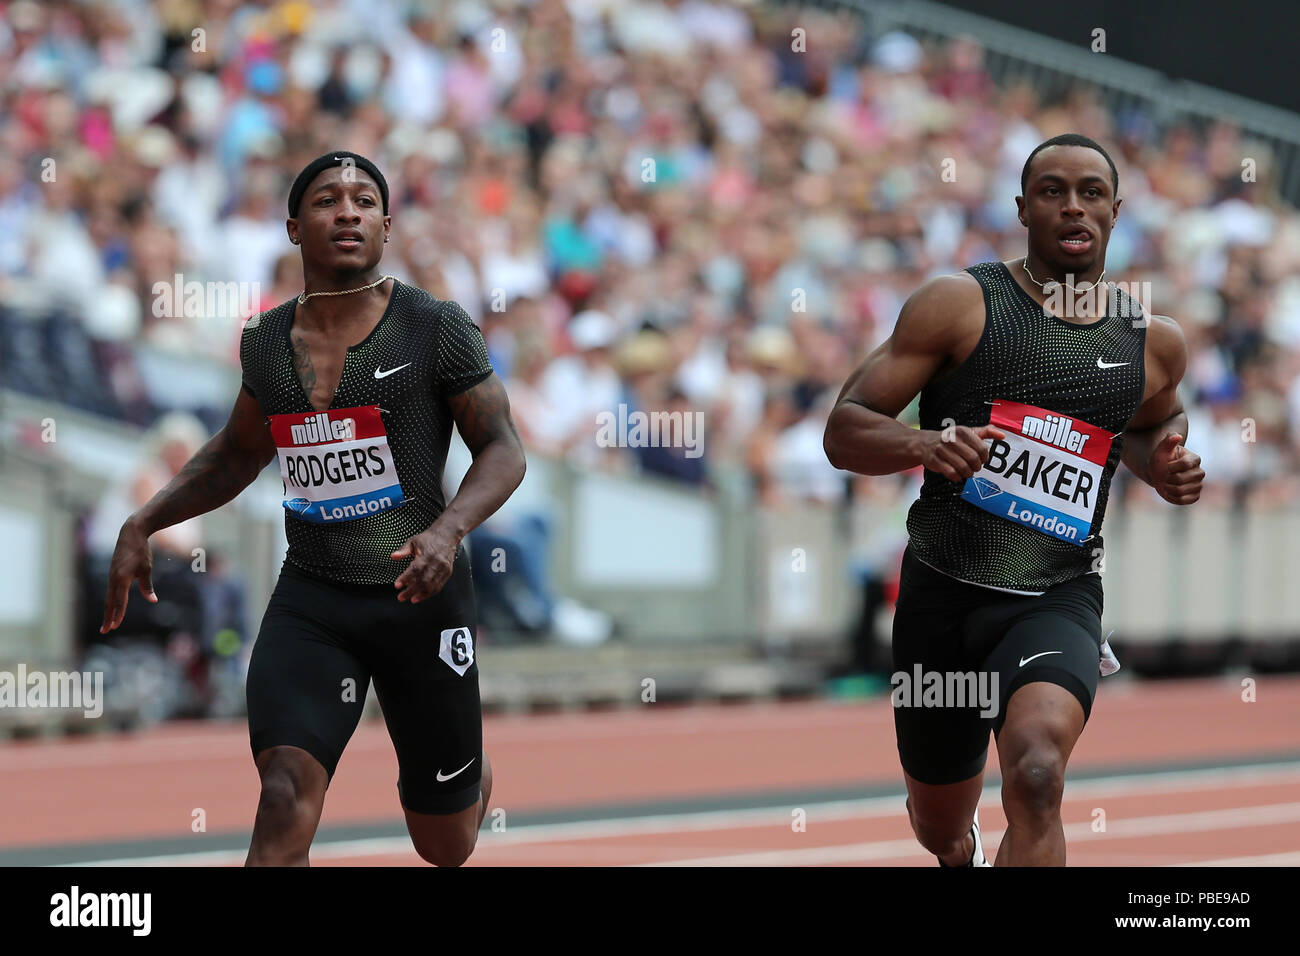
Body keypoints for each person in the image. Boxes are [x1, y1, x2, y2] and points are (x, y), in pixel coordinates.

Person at [101, 151, 526, 866]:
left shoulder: (436, 327)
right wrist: (143, 520)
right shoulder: (265, 343)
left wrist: (448, 531)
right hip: (315, 601)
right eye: (328, 200)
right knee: (283, 795)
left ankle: (467, 774)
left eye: (364, 200)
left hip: (419, 595)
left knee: (444, 846)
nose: (348, 211)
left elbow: (504, 449)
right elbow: (238, 453)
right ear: (296, 228)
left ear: (386, 227)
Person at [824, 134, 1205, 866]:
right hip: (940, 596)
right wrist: (923, 446)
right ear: (1023, 207)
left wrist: (1166, 464)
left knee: (1036, 775)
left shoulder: (1150, 341)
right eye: (1053, 189)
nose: (1073, 205)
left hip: (1054, 596)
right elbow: (844, 431)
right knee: (942, 830)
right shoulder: (959, 305)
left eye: (1091, 192)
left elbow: (1158, 421)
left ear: (1115, 213)